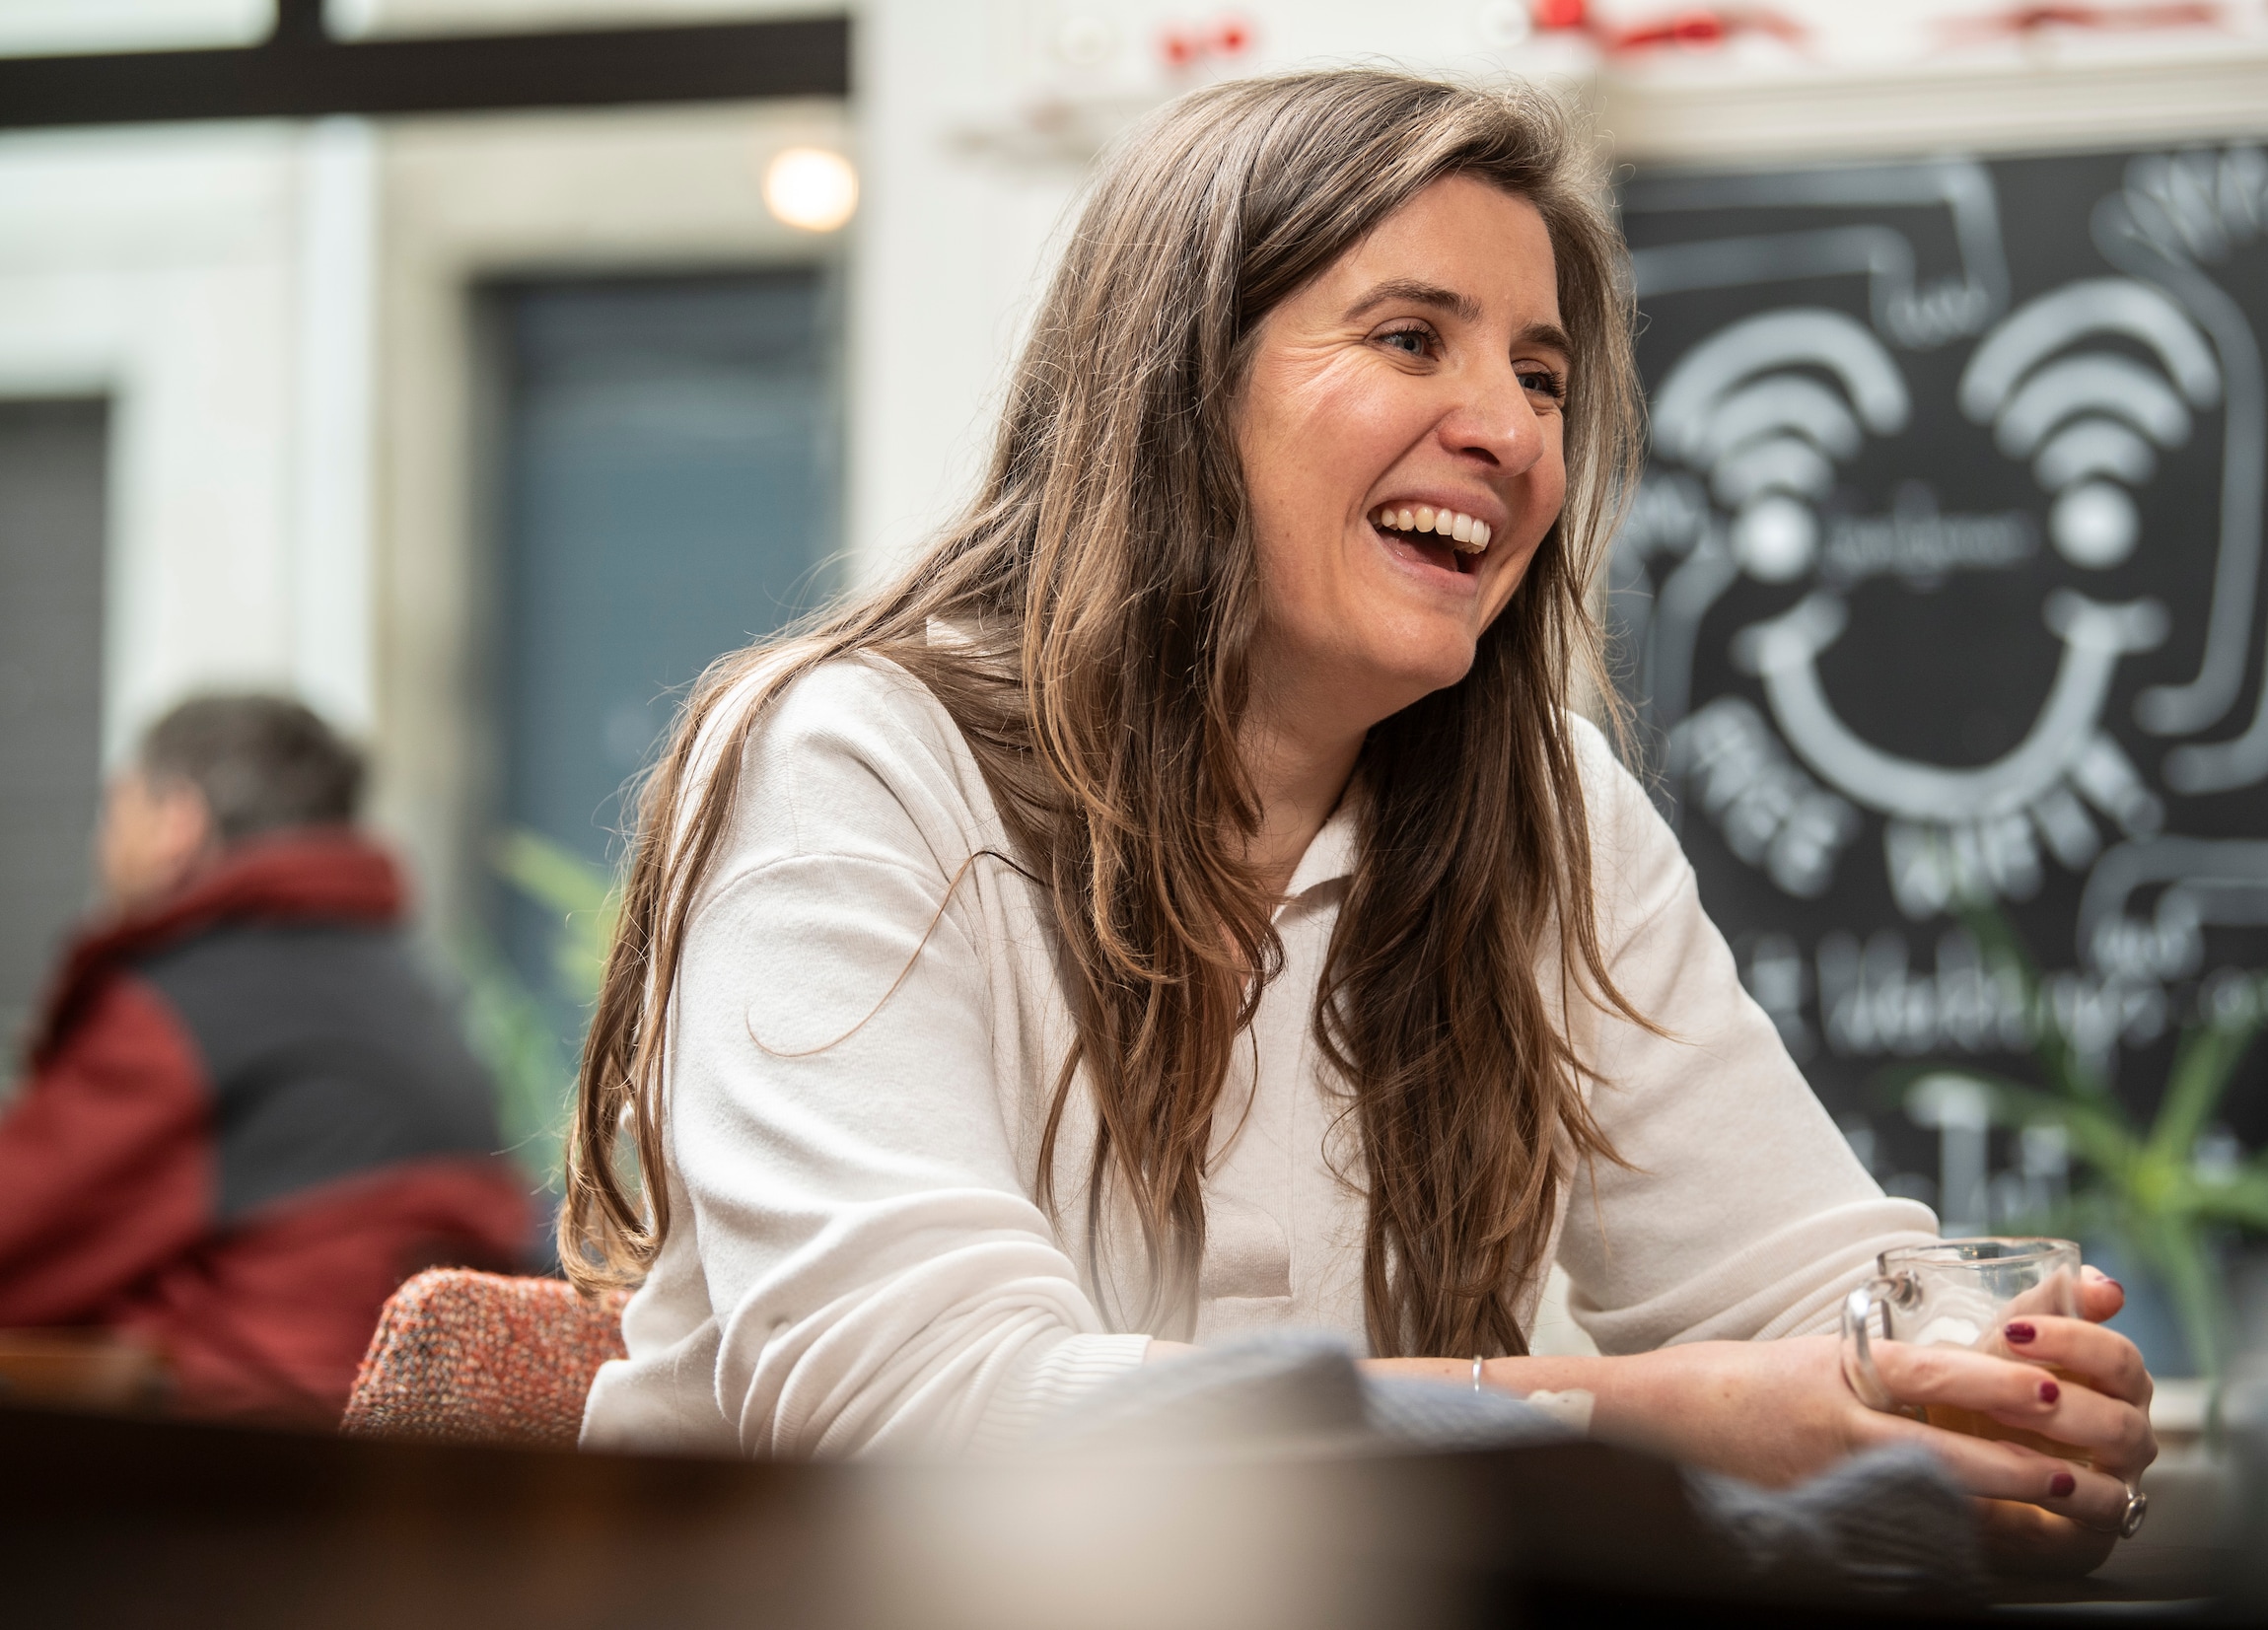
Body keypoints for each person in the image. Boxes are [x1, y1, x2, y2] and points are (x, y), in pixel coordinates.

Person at [566, 71, 2157, 1571]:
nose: (1516, 433)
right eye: (1412, 340)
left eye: (1541, 375)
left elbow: (1805, 1286)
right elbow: (938, 1421)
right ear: (1178, 389)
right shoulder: (851, 765)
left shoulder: (1550, 821)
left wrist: (1989, 1388)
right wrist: (1642, 1412)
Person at [0, 694, 532, 1423]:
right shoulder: (416, 990)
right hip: (420, 1471)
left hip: (238, 1475)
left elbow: (21, 1233)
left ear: (175, 822)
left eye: (116, 809)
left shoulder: (184, 1007)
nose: (102, 842)